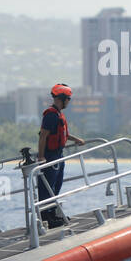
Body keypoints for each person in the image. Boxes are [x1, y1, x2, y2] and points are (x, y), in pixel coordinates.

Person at [36, 84, 85, 228]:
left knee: (56, 186)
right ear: (62, 99)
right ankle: (47, 217)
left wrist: (77, 140)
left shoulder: (58, 115)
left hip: (59, 156)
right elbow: (43, 136)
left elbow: (64, 135)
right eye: (68, 99)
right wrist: (41, 157)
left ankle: (53, 213)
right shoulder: (51, 115)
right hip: (50, 157)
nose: (69, 102)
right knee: (47, 188)